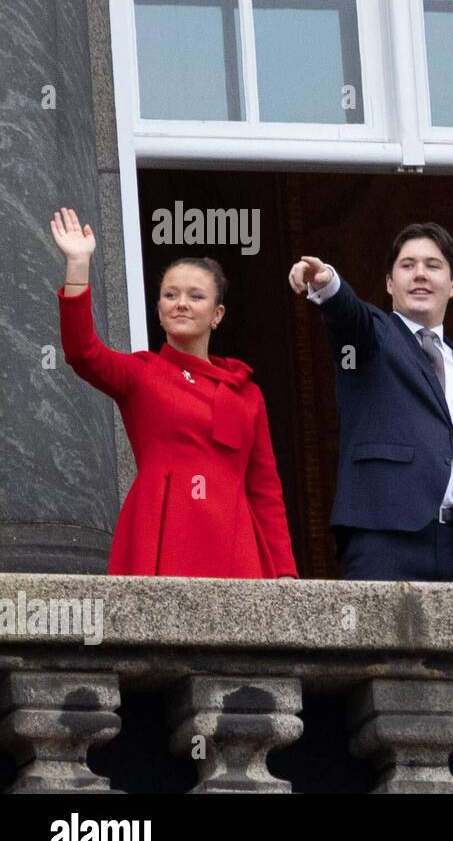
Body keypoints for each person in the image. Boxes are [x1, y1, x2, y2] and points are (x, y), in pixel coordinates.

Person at [52, 207, 296, 579]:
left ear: (217, 314)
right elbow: (83, 352)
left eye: (195, 296)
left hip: (235, 542)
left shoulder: (247, 393)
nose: (181, 302)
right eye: (170, 295)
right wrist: (78, 265)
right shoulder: (142, 373)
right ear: (159, 310)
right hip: (162, 532)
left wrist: (285, 574)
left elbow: (265, 492)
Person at [287, 223, 453, 581]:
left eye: (433, 265)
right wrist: (327, 284)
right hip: (386, 538)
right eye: (407, 265)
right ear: (389, 283)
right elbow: (349, 315)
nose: (420, 274)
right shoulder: (373, 335)